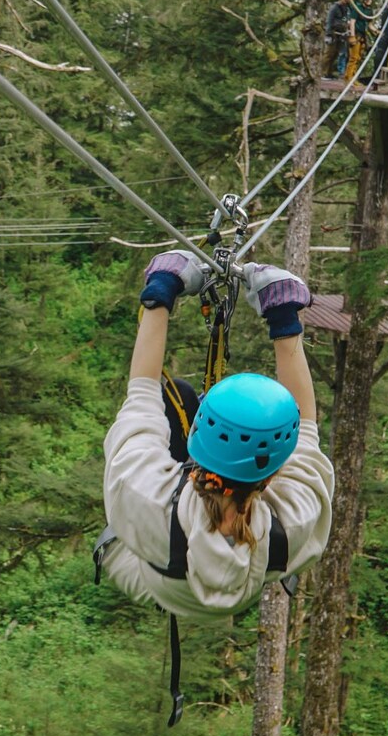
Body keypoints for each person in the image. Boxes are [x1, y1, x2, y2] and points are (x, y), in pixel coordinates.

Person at [95, 251, 335, 625]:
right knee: (177, 398)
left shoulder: (144, 494)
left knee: (177, 396)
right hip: (247, 575)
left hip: (150, 574)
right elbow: (305, 428)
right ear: (275, 471)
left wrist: (160, 291)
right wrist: (283, 316)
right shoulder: (296, 517)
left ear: (197, 435)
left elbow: (143, 394)